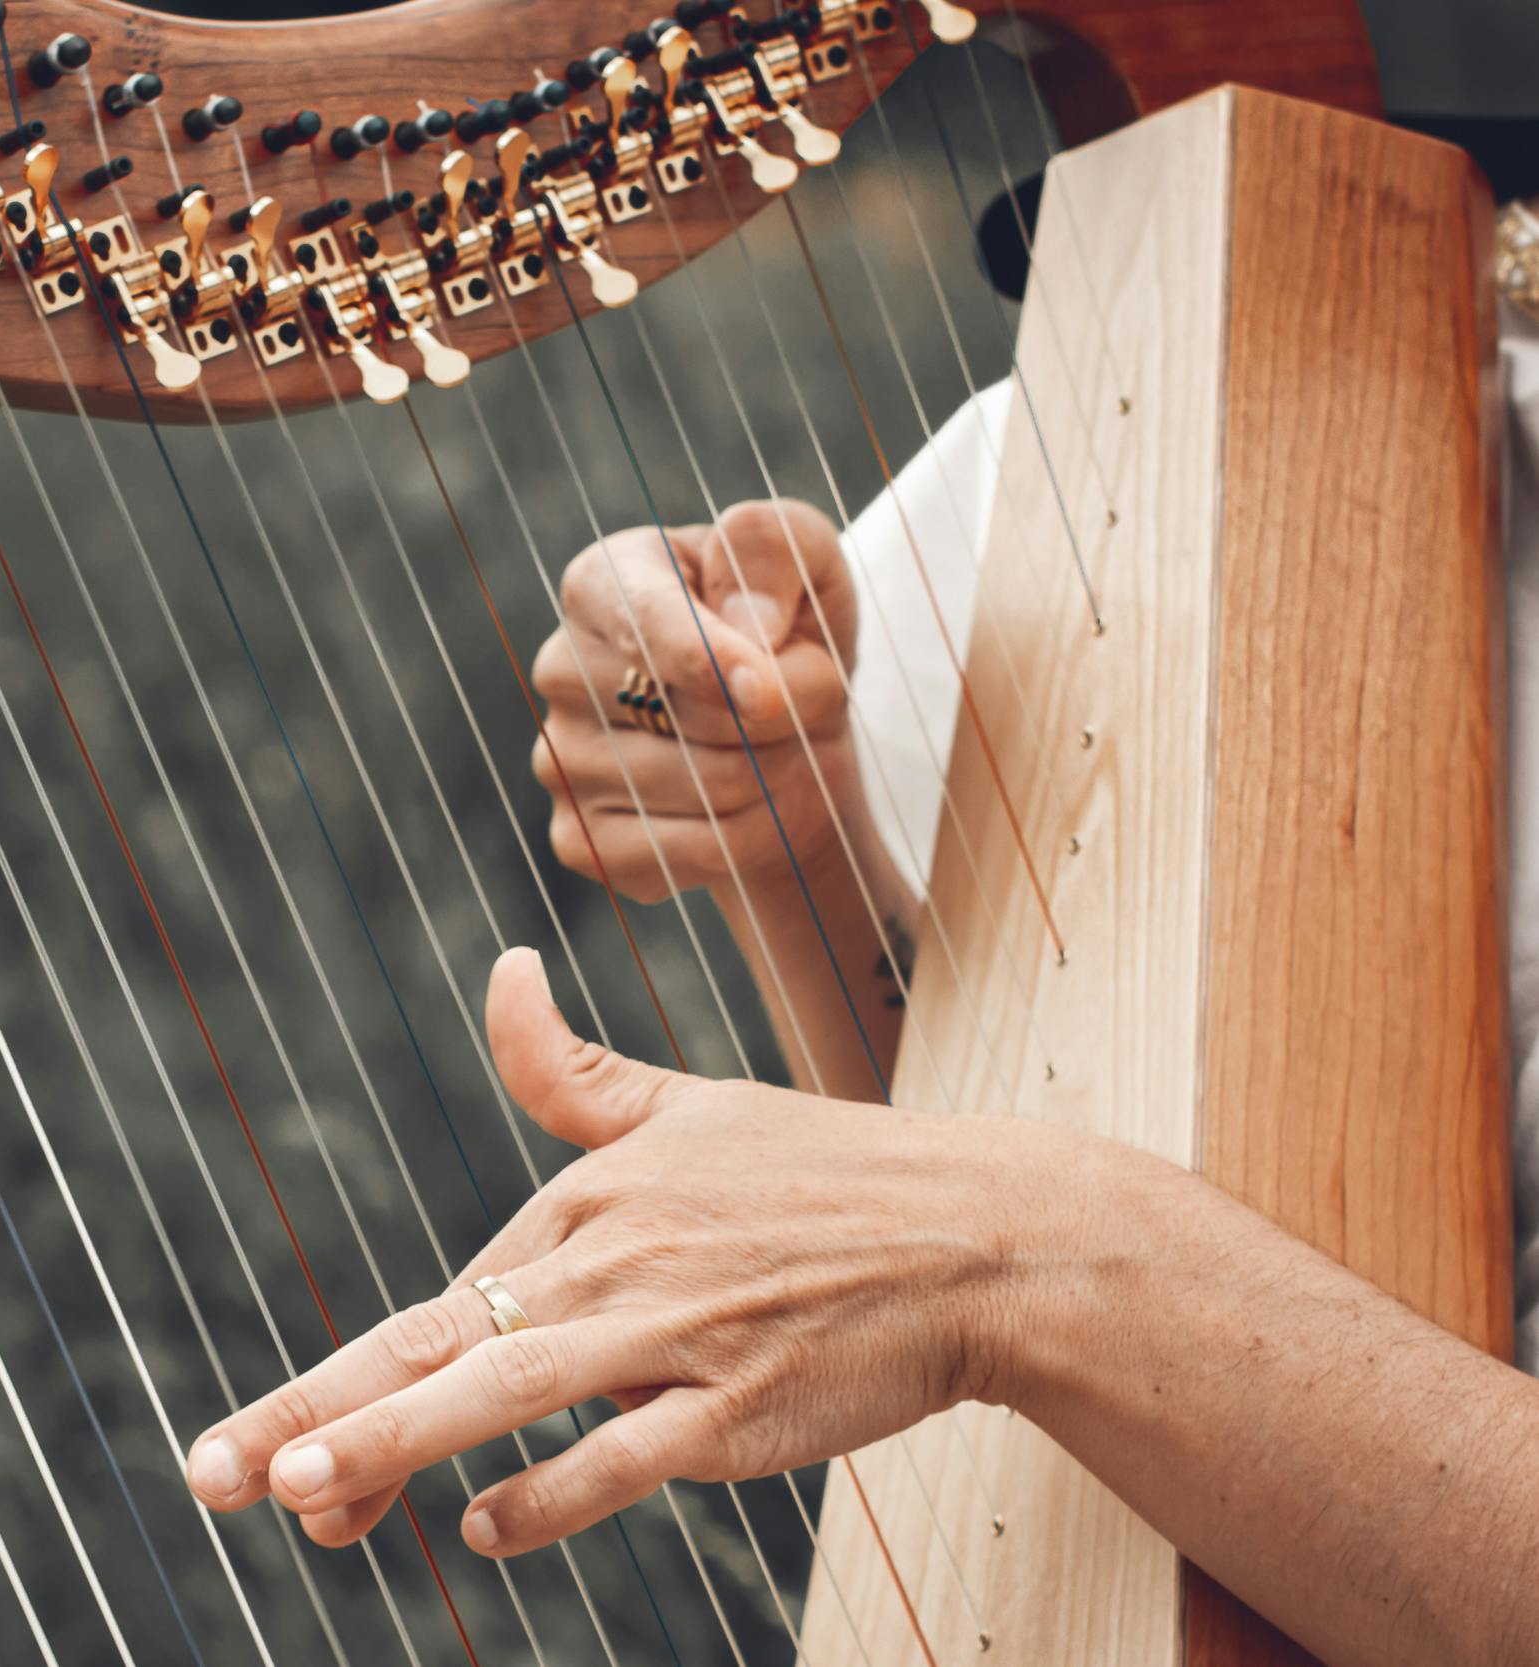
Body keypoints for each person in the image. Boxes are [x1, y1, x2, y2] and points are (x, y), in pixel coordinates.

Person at [182, 254, 1539, 1665]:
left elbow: (996, 1234)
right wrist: (802, 844)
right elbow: (962, 1195)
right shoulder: (1087, 446)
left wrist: (1031, 1258)